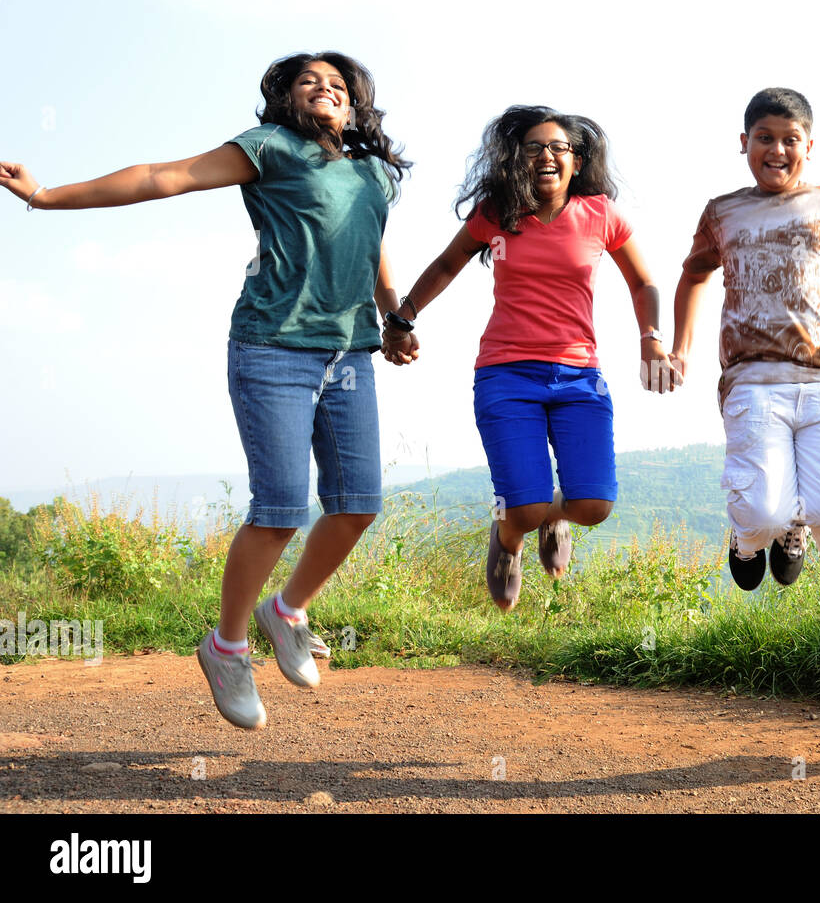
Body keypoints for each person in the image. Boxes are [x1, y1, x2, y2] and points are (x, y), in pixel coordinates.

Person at [1, 51, 413, 730]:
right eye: (308, 81)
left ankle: (285, 610)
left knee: (357, 506)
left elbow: (371, 247)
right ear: (284, 98)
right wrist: (45, 196)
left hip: (350, 356)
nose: (325, 89)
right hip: (272, 348)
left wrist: (394, 315)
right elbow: (163, 177)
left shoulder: (372, 172)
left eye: (338, 84)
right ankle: (226, 647)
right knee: (280, 510)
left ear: (355, 104)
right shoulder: (269, 148)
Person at [381, 106, 673, 611]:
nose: (546, 156)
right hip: (505, 373)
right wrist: (403, 317)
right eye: (534, 148)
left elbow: (643, 281)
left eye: (559, 148)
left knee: (593, 505)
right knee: (526, 505)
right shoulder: (498, 213)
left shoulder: (601, 214)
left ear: (577, 162)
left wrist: (650, 336)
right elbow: (449, 263)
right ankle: (509, 533)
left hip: (579, 375)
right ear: (518, 160)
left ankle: (550, 516)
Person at [670, 88, 820, 590]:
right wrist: (679, 349)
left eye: (790, 139)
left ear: (809, 146)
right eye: (765, 138)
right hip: (752, 380)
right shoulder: (723, 212)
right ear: (744, 142)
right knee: (760, 512)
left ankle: (795, 529)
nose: (777, 150)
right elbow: (693, 276)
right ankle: (748, 541)